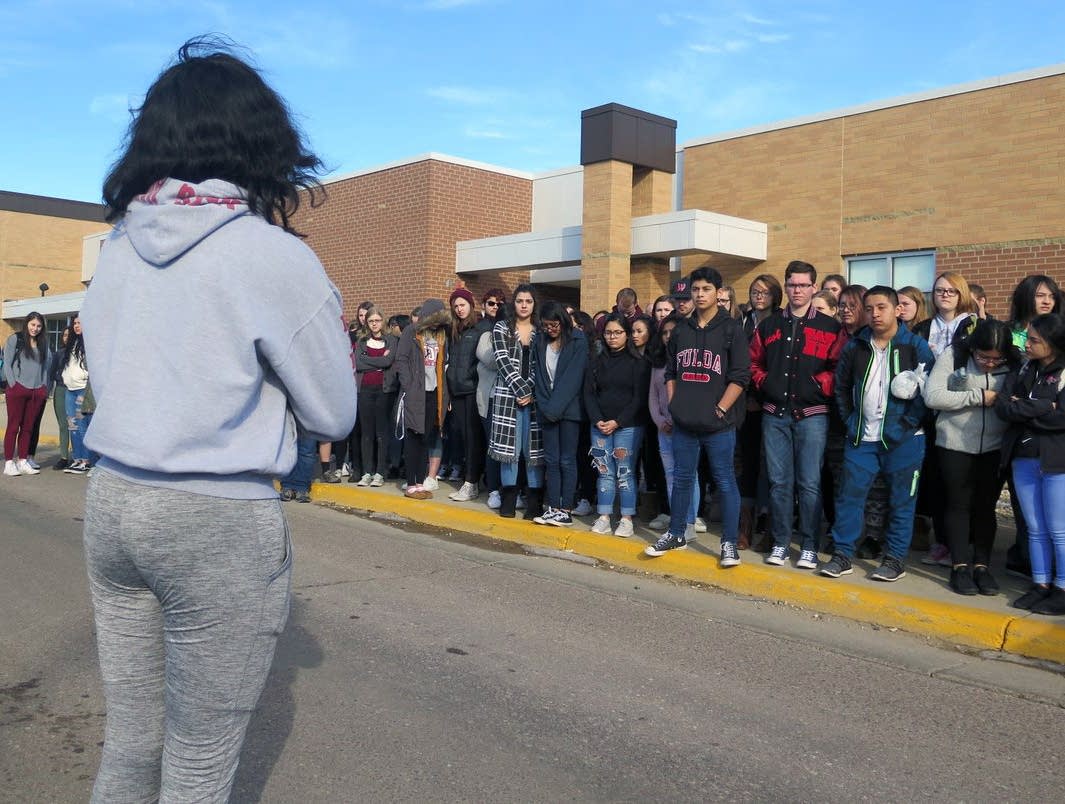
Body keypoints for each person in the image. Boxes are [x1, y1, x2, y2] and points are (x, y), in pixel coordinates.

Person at [79, 39, 356, 802]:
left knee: (132, 741)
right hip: (216, 517)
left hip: (113, 502)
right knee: (199, 761)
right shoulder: (269, 256)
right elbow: (333, 409)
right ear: (259, 139)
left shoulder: (118, 246)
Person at [819, 286, 935, 582]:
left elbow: (927, 392)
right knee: (849, 497)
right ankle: (842, 554)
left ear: (897, 310)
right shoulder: (855, 346)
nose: (875, 314)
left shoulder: (915, 346)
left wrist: (906, 426)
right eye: (869, 308)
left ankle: (894, 559)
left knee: (901, 501)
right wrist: (850, 420)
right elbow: (842, 388)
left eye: (881, 307)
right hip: (862, 438)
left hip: (905, 440)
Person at [644, 266, 750, 567]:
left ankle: (729, 544)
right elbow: (672, 371)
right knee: (681, 479)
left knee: (725, 481)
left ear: (718, 292)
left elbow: (741, 377)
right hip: (685, 423)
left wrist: (721, 408)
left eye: (706, 289)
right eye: (696, 289)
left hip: (719, 425)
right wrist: (677, 405)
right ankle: (676, 533)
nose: (700, 294)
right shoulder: (681, 330)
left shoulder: (731, 329)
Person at [749, 261, 845, 569]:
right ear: (786, 287)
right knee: (779, 482)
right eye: (792, 285)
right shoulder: (769, 326)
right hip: (775, 413)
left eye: (803, 285)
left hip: (812, 414)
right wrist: (767, 383)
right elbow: (753, 364)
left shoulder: (831, 328)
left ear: (814, 288)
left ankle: (809, 545)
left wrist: (818, 385)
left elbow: (838, 369)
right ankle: (779, 542)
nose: (797, 290)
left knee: (809, 483)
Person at [923, 319, 1019, 595]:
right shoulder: (954, 356)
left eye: (996, 359)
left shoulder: (1015, 362)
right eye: (983, 357)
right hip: (954, 443)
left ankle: (982, 566)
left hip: (994, 446)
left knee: (985, 507)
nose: (989, 363)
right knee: (958, 505)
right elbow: (934, 396)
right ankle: (959, 566)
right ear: (973, 347)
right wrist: (978, 396)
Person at [995, 313, 1065, 615]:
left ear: (1053, 343)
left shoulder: (1063, 373)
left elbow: (1062, 417)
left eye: (1034, 340)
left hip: (1056, 460)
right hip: (1023, 456)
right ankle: (1041, 583)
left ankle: (1062, 586)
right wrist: (1040, 407)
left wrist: (1022, 408)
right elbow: (1002, 407)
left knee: (1059, 529)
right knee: (1035, 527)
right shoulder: (1024, 368)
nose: (1027, 344)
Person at [913, 271, 977, 567]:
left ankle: (965, 544)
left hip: (963, 410)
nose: (945, 295)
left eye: (952, 290)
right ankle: (940, 543)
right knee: (936, 479)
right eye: (940, 290)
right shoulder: (924, 327)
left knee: (962, 484)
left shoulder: (974, 325)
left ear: (961, 293)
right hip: (929, 411)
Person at [585, 313, 651, 537]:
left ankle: (626, 518)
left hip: (628, 425)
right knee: (604, 470)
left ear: (627, 334)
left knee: (625, 472)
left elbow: (639, 398)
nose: (612, 337)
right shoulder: (596, 361)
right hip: (600, 424)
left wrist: (617, 421)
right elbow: (589, 394)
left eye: (617, 332)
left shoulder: (639, 362)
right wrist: (598, 420)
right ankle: (604, 515)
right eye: (608, 333)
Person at [489, 284, 544, 518]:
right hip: (507, 395)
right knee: (508, 450)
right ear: (514, 303)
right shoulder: (502, 327)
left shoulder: (539, 331)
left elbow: (539, 364)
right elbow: (502, 360)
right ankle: (508, 501)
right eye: (520, 301)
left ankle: (534, 504)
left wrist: (529, 390)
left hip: (534, 398)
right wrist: (521, 389)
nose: (523, 305)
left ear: (534, 304)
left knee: (533, 451)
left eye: (528, 301)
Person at [531, 301, 588, 526]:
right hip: (547, 410)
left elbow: (572, 380)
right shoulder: (540, 341)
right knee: (551, 460)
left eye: (554, 324)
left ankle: (566, 509)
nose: (550, 329)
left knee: (567, 460)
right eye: (546, 326)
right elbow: (540, 378)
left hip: (570, 411)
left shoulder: (578, 340)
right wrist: (545, 407)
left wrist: (553, 409)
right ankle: (553, 506)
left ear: (562, 320)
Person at [739, 273, 783, 550]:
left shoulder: (780, 322)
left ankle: (770, 524)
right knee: (748, 464)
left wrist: (761, 394)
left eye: (765, 292)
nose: (759, 296)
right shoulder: (742, 322)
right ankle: (745, 525)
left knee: (773, 468)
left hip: (773, 401)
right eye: (755, 291)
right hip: (744, 403)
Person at [395, 298, 450, 499]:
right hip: (415, 392)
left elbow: (443, 364)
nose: (436, 323)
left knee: (426, 437)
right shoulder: (412, 331)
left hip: (434, 392)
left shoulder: (442, 334)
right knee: (413, 437)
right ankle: (410, 483)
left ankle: (420, 481)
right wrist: (408, 385)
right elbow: (401, 359)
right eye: (434, 319)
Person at [444, 288, 485, 501]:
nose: (459, 309)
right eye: (456, 306)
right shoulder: (453, 330)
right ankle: (469, 480)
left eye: (463, 304)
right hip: (456, 391)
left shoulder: (479, 329)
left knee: (473, 439)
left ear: (471, 305)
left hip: (472, 391)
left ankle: (472, 483)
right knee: (463, 438)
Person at [352, 306, 397, 487]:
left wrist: (370, 360)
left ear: (382, 321)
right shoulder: (362, 341)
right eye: (371, 321)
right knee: (366, 433)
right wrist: (378, 363)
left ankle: (380, 472)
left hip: (384, 391)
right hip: (365, 390)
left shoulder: (391, 340)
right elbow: (358, 363)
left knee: (381, 432)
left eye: (377, 320)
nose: (374, 324)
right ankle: (367, 471)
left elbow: (388, 361)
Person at [3, 312, 50, 476]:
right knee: (13, 426)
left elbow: (45, 368)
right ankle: (9, 463)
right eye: (32, 325)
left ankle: (22, 460)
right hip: (18, 389)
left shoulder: (43, 344)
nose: (35, 328)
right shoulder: (15, 340)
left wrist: (44, 388)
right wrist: (13, 384)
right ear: (27, 324)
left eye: (38, 326)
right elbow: (7, 364)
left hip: (36, 392)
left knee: (28, 428)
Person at [474, 289, 506, 508]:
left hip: (511, 400)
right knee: (493, 447)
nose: (496, 308)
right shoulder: (486, 336)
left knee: (509, 449)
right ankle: (494, 489)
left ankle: (509, 489)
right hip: (490, 398)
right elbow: (493, 361)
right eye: (492, 304)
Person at [60, 314, 93, 475]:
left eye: (80, 323)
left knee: (81, 426)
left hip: (82, 390)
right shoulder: (71, 344)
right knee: (72, 425)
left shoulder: (89, 343)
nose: (77, 326)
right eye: (75, 323)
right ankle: (77, 459)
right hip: (69, 390)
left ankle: (86, 461)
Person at [49, 325, 72, 470]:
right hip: (61, 390)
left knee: (76, 425)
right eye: (64, 335)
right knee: (64, 425)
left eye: (69, 335)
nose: (67, 337)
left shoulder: (82, 352)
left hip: (77, 391)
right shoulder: (58, 354)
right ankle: (64, 457)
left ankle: (80, 457)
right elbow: (51, 374)